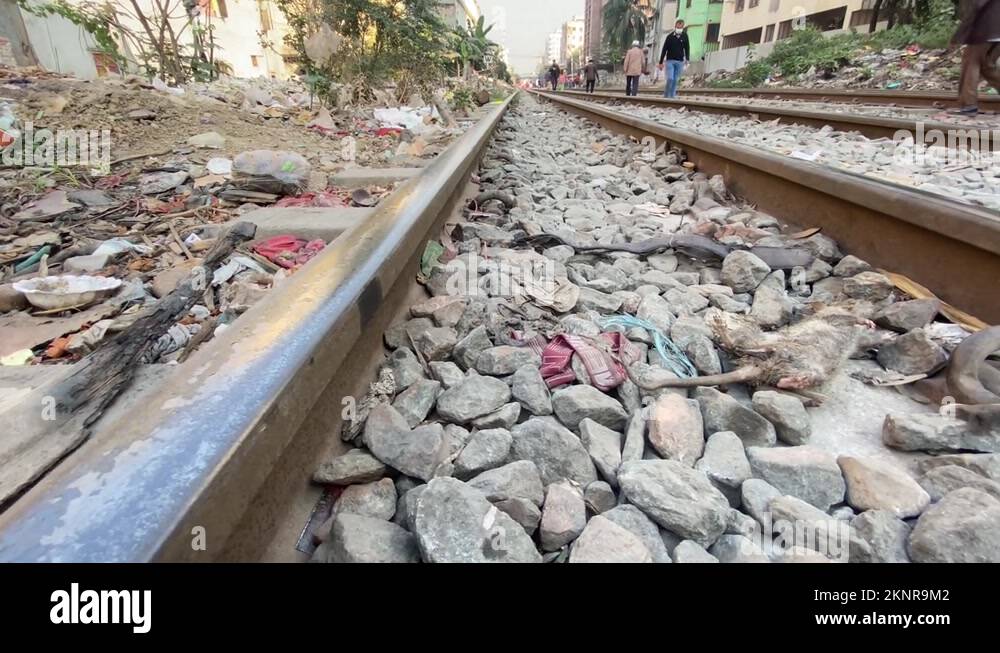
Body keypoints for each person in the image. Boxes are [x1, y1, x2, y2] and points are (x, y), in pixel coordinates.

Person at [953, 0, 1000, 114]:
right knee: (987, 67)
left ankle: (968, 104)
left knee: (970, 63)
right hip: (995, 34)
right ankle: (968, 104)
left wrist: (958, 36)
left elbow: (975, 8)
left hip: (985, 32)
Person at [658, 19, 690, 98]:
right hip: (670, 61)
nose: (680, 28)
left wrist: (687, 59)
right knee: (670, 78)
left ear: (683, 27)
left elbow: (687, 48)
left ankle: (672, 96)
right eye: (678, 26)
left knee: (675, 80)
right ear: (675, 26)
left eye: (681, 26)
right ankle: (666, 95)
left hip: (680, 61)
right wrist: (661, 62)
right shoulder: (669, 37)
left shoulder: (685, 36)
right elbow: (664, 49)